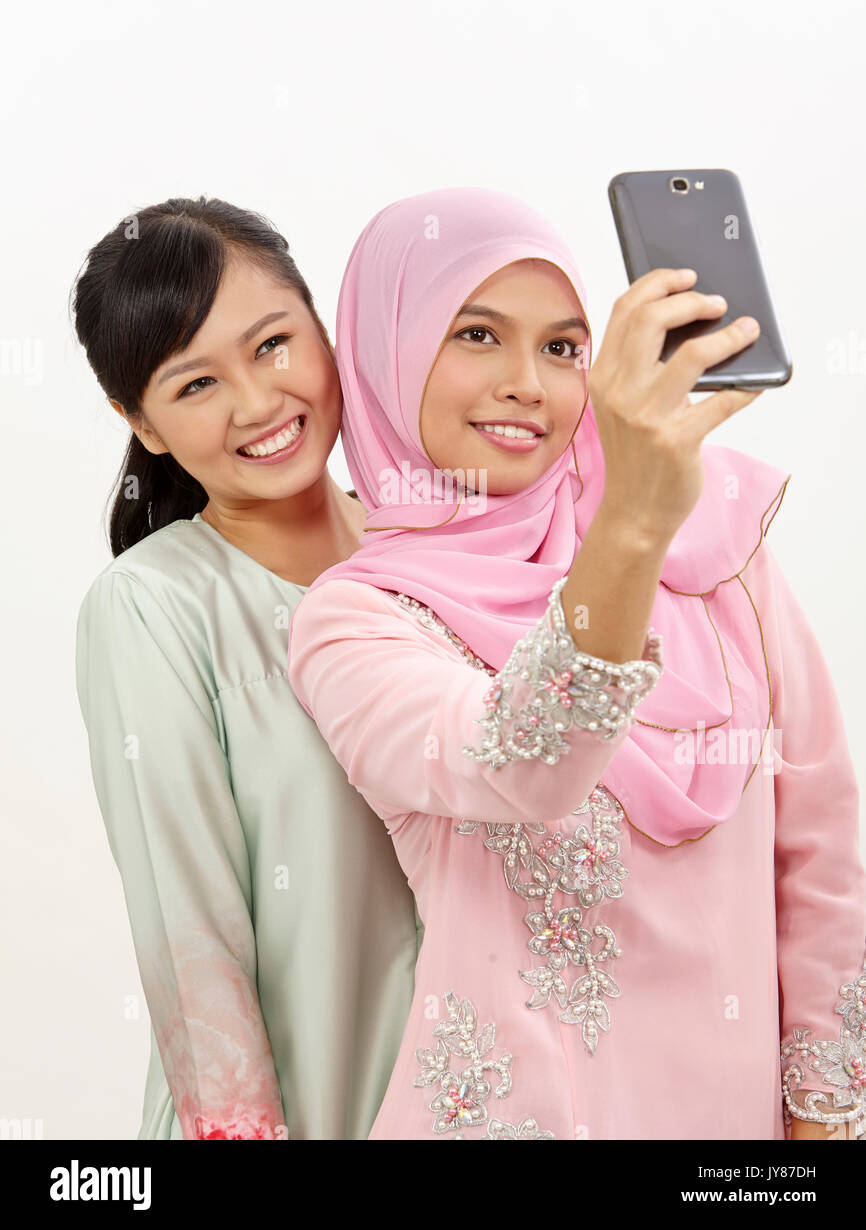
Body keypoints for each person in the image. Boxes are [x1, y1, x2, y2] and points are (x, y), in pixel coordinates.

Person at [286, 185, 866, 1141]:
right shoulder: (356, 620)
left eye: (562, 347)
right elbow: (523, 762)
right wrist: (635, 522)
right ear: (385, 353)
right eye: (476, 335)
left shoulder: (710, 540)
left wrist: (827, 1106)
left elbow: (820, 829)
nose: (530, 383)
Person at [72, 197, 422, 1139]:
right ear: (137, 421)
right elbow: (196, 954)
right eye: (195, 385)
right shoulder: (155, 607)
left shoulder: (436, 554)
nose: (260, 404)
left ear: (324, 328)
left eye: (273, 344)